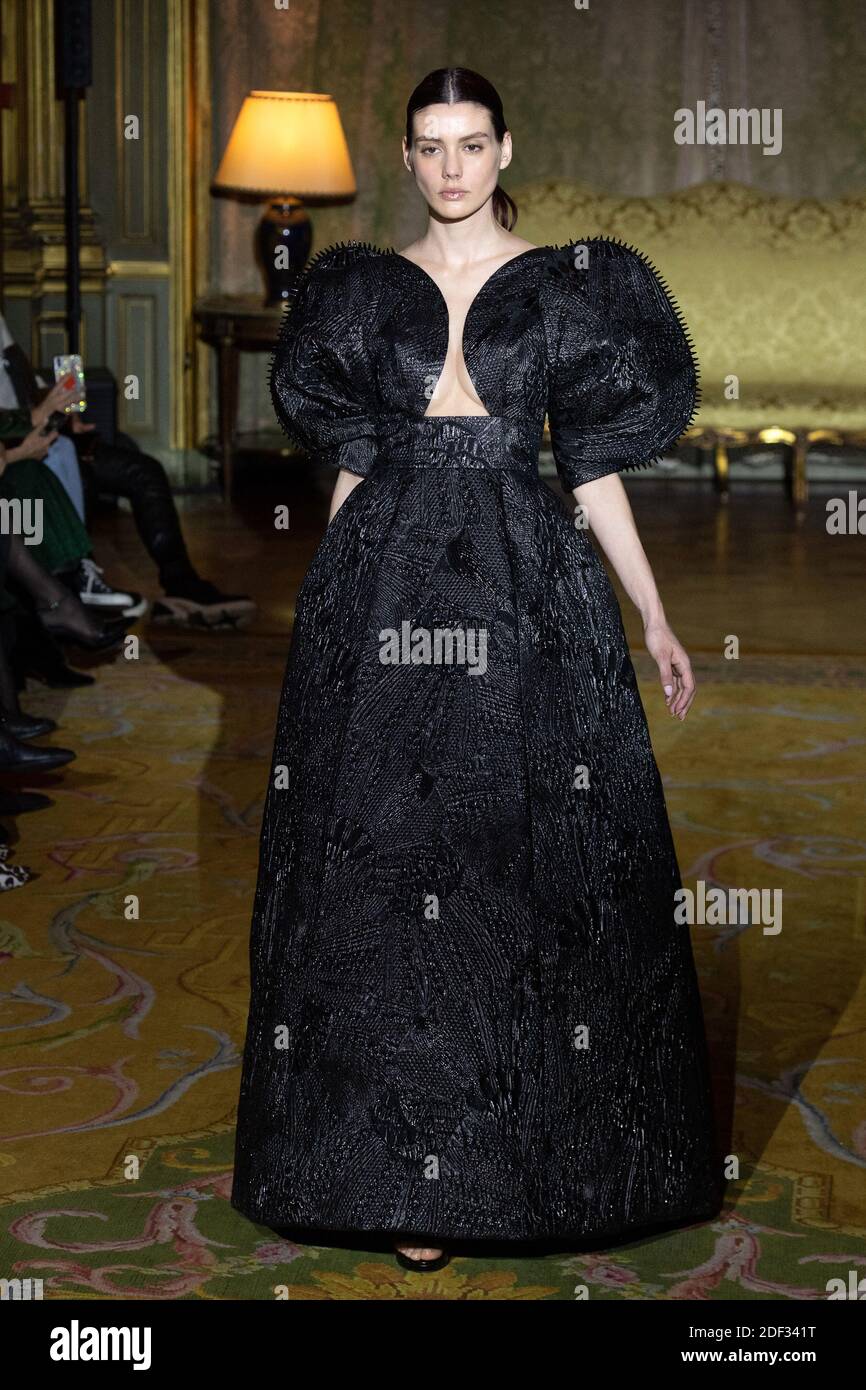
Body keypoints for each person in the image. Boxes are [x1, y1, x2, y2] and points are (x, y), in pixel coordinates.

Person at [230, 67, 724, 1273]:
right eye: (429, 146)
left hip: (522, 592)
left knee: (513, 865)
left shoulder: (565, 288)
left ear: (504, 150)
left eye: (470, 143)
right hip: (387, 584)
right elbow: (348, 464)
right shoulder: (356, 290)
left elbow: (591, 468)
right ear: (405, 158)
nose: (451, 166)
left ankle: (527, 1154)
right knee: (392, 872)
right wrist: (328, 597)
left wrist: (653, 616)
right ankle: (398, 1165)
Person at [0, 314, 256, 629]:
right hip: (14, 449)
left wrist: (58, 409)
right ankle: (75, 589)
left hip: (45, 436)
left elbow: (21, 382)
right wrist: (27, 433)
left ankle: (182, 585)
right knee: (63, 468)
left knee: (144, 471)